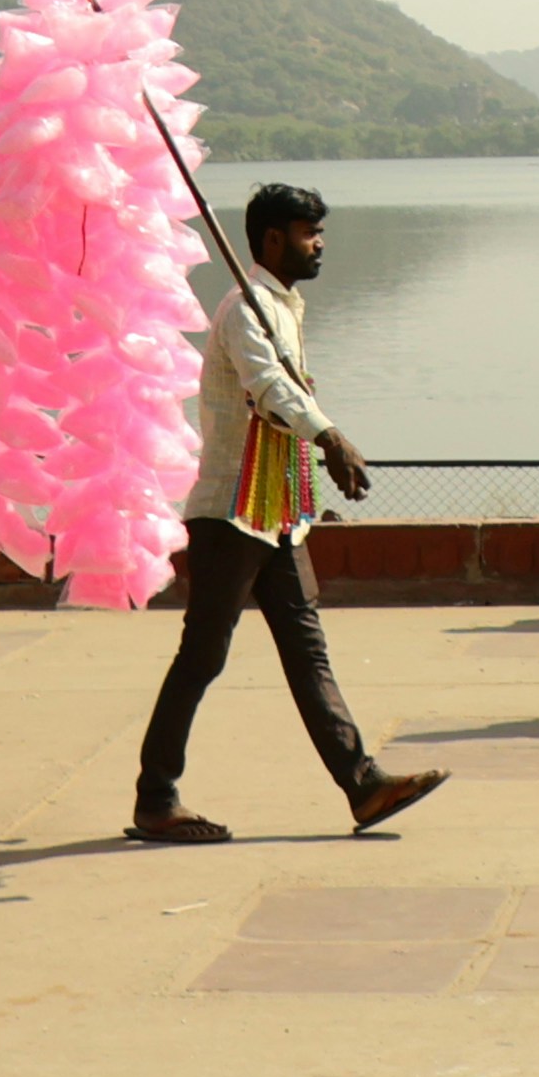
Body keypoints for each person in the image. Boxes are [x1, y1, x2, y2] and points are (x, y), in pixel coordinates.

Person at [132, 182, 447, 842]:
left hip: (278, 513)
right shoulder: (243, 313)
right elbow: (269, 389)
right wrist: (329, 436)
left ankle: (362, 786)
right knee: (204, 656)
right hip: (230, 515)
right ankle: (155, 797)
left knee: (309, 654)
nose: (320, 244)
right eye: (309, 233)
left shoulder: (279, 308)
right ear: (273, 240)